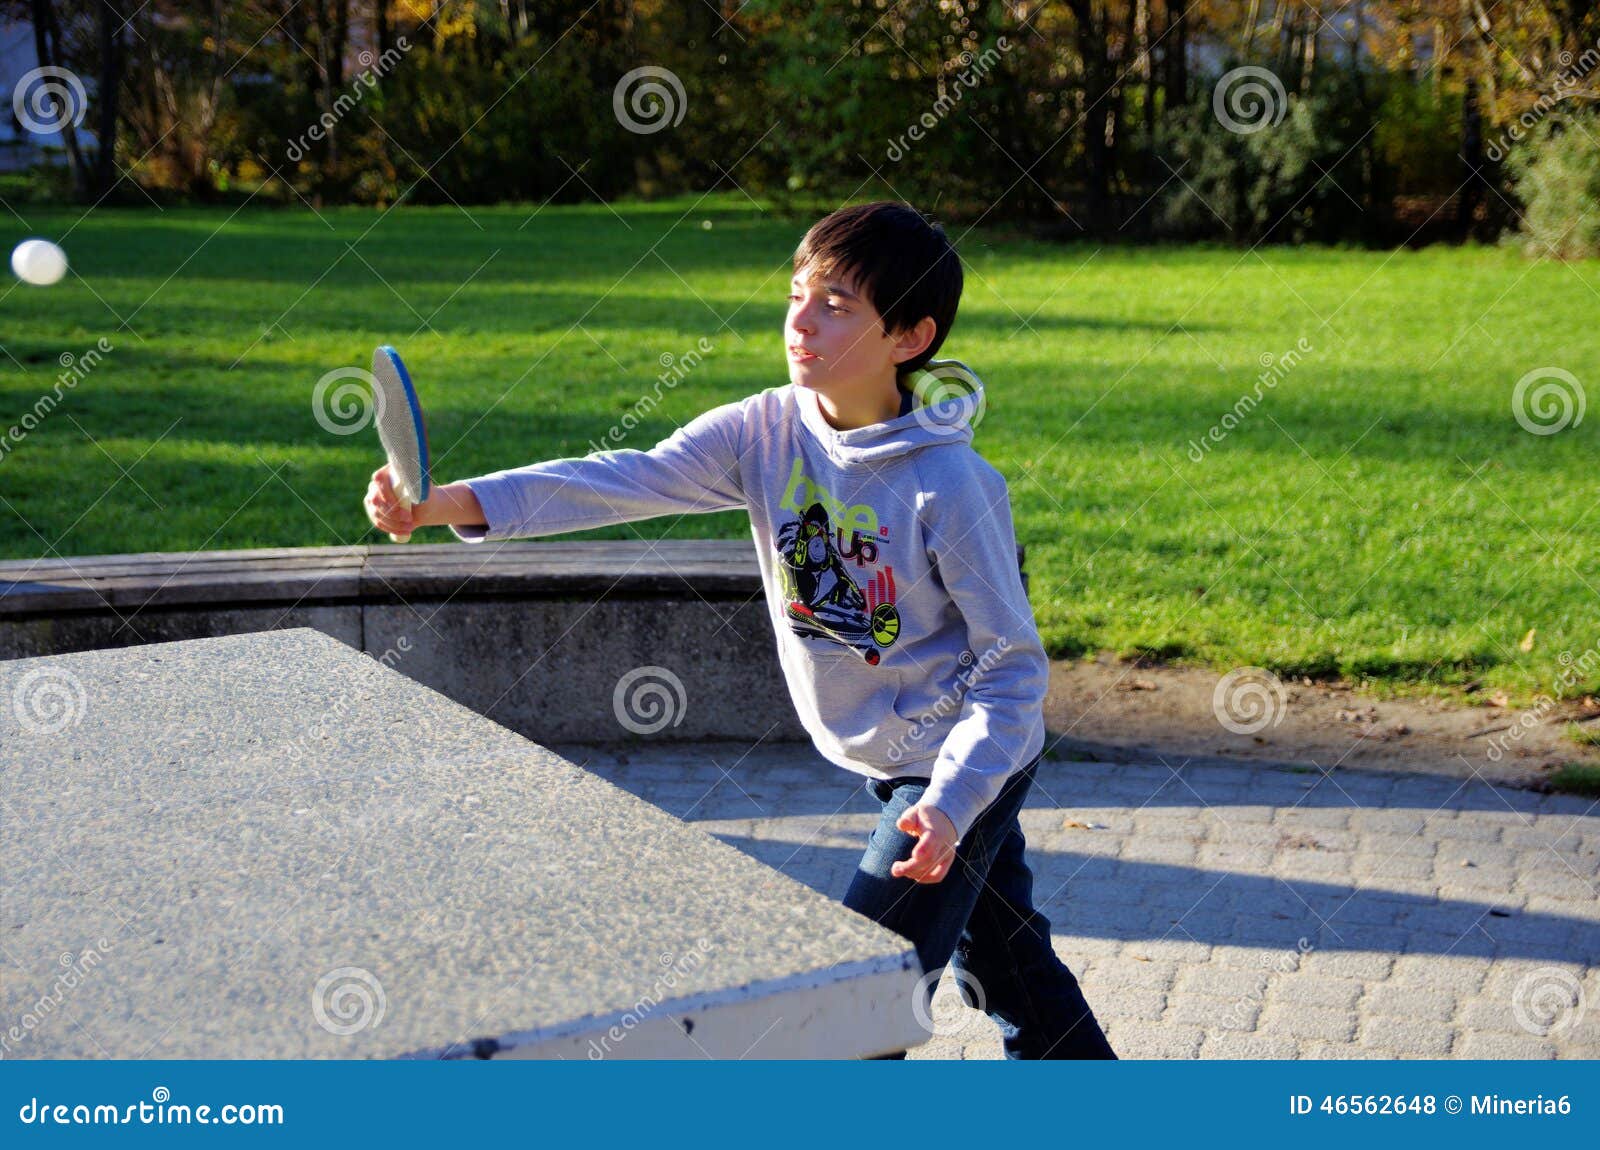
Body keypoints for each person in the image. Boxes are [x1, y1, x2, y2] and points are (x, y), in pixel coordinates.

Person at [363, 201, 1116, 1059]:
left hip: (953, 766)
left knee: (852, 1012)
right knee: (1013, 965)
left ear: (909, 337)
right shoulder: (768, 428)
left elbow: (1012, 672)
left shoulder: (950, 484)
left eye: (837, 304)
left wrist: (947, 806)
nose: (801, 319)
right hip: (898, 763)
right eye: (799, 292)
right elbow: (626, 479)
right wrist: (443, 504)